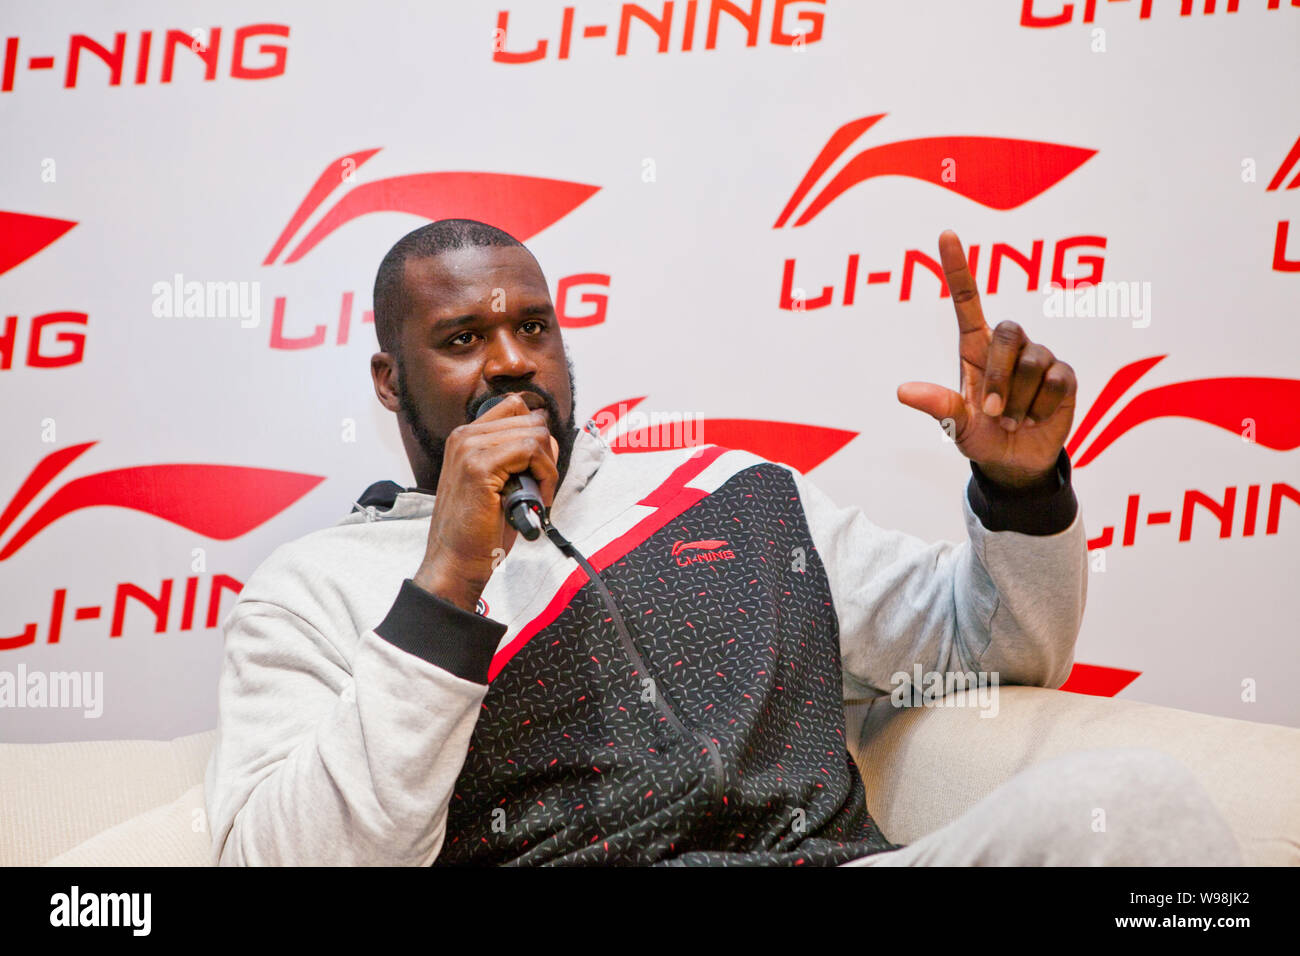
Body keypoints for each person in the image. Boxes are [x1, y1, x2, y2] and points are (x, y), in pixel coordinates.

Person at [203, 218, 1241, 866]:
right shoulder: (313, 589)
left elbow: (994, 656)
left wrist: (1018, 486)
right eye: (463, 339)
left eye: (536, 326)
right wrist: (446, 580)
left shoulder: (733, 494)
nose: (513, 363)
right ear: (390, 380)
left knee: (1131, 806)